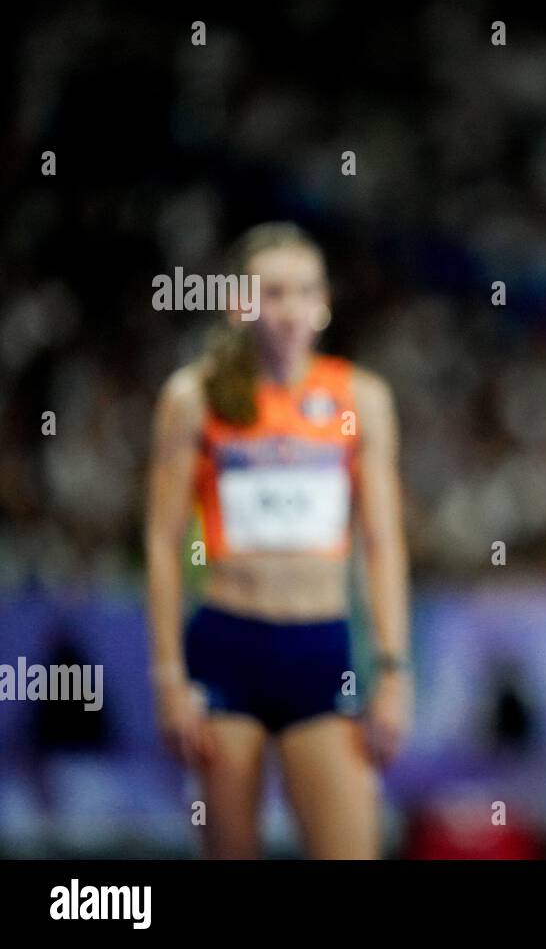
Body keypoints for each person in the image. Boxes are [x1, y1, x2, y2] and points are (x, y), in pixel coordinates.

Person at [145, 222, 412, 858]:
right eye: (273, 293)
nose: (291, 309)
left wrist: (395, 669)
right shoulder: (194, 397)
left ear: (324, 302)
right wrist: (167, 678)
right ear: (240, 303)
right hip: (225, 650)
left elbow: (383, 542)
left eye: (305, 291)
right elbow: (161, 544)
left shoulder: (360, 398)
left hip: (321, 654)